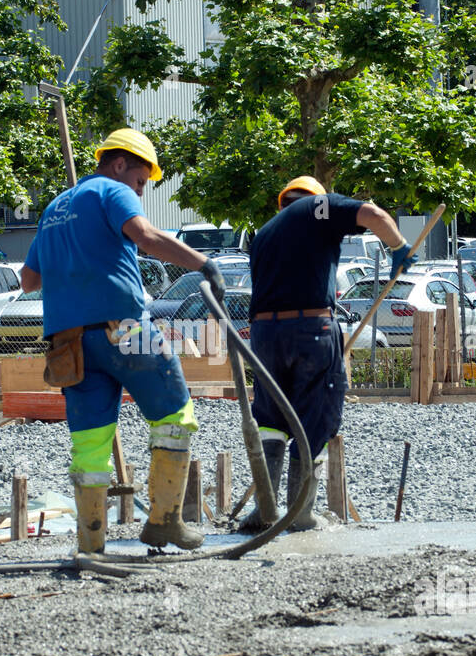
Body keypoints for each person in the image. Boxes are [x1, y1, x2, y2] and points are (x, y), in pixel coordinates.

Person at [21, 128, 224, 555]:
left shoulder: (55, 208)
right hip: (124, 329)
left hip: (70, 342)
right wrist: (205, 264)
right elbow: (146, 237)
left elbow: (29, 279)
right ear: (119, 165)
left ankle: (91, 544)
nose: (140, 190)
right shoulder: (112, 193)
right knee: (175, 413)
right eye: (140, 181)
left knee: (90, 443)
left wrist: (74, 260)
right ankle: (165, 523)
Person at [239, 176, 414, 532]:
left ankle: (265, 512)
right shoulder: (319, 208)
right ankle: (301, 513)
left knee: (271, 420)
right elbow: (373, 214)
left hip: (265, 336)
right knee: (313, 417)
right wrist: (399, 247)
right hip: (309, 330)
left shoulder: (265, 233)